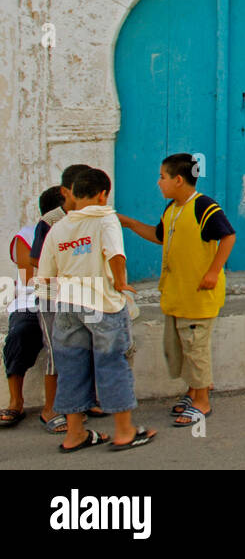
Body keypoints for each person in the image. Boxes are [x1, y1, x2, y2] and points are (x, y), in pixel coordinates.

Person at [35, 168, 155, 451]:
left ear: (73, 194)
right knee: (113, 364)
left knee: (72, 368)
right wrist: (121, 284)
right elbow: (115, 255)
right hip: (103, 304)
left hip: (68, 306)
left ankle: (74, 433)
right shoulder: (106, 219)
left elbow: (46, 276)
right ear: (103, 195)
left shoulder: (59, 228)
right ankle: (124, 431)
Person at [117, 153, 235, 427]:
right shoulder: (172, 209)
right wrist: (131, 224)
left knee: (196, 350)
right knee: (180, 350)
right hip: (177, 295)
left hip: (198, 296)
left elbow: (228, 235)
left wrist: (213, 271)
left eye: (162, 177)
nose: (159, 182)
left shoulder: (204, 206)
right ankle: (193, 392)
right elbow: (160, 236)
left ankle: (202, 402)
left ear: (178, 180)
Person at [1, 187, 65, 432]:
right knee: (21, 333)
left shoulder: (76, 230)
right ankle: (16, 401)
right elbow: (29, 278)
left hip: (67, 298)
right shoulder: (26, 235)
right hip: (31, 300)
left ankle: (83, 399)